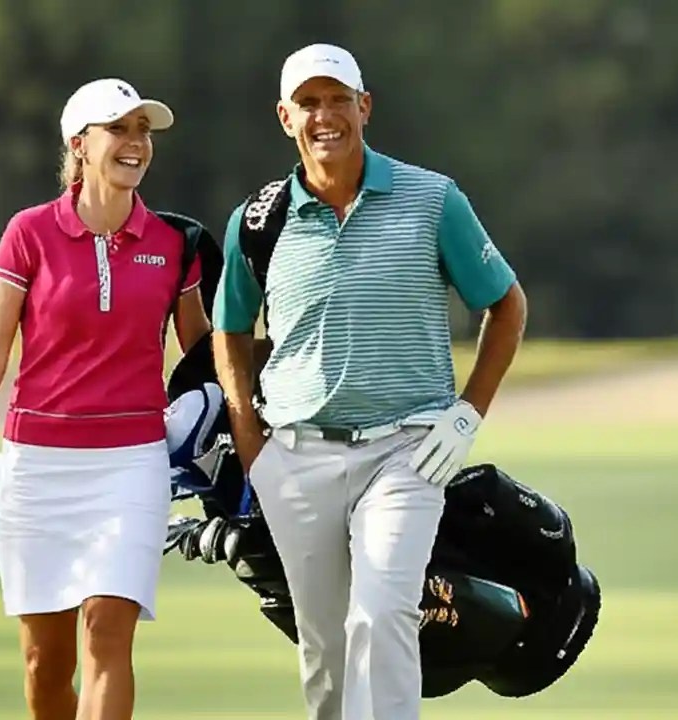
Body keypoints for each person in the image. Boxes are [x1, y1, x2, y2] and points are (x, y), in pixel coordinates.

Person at [211, 43, 529, 720]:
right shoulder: (259, 221)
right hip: (294, 457)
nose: (324, 116)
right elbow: (229, 330)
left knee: (383, 613)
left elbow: (506, 305)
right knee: (325, 646)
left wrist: (466, 414)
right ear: (285, 118)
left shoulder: (432, 199)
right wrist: (249, 442)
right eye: (308, 103)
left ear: (365, 107)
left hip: (407, 451)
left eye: (338, 100)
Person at [0, 77, 210, 720]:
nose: (136, 142)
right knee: (45, 666)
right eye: (119, 129)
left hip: (132, 464)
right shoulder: (29, 233)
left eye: (143, 130)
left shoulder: (175, 244)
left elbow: (201, 356)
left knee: (108, 634)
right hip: (37, 468)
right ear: (79, 144)